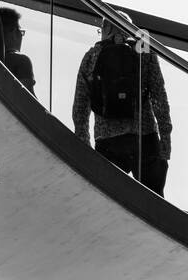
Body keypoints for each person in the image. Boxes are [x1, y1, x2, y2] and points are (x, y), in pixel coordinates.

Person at [72, 9, 173, 196]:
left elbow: (80, 107)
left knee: (109, 201)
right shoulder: (144, 53)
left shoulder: (91, 56)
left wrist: (83, 145)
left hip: (108, 141)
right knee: (154, 204)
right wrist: (165, 137)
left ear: (104, 29)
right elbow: (159, 97)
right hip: (144, 138)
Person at [0, 8, 36, 96]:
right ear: (13, 32)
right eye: (21, 32)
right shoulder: (21, 61)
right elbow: (28, 101)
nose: (21, 36)